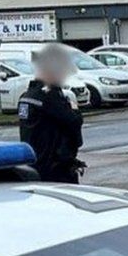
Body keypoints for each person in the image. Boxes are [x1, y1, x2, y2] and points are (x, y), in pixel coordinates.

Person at [18, 44, 85, 183]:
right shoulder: (49, 96)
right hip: (54, 166)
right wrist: (74, 109)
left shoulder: (26, 96)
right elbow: (73, 120)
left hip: (33, 162)